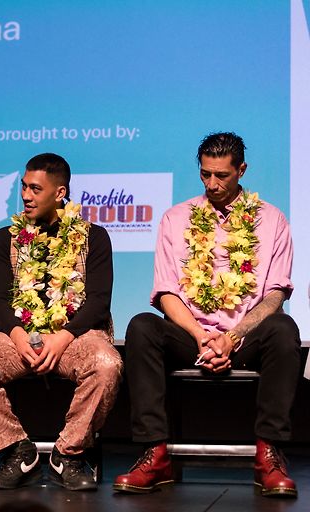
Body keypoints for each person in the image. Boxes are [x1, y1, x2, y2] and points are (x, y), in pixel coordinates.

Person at [113, 132, 301, 498]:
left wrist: (231, 338)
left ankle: (269, 456)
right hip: (190, 336)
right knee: (141, 327)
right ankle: (155, 454)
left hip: (246, 338)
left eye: (222, 175)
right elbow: (166, 292)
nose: (212, 184)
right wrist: (201, 336)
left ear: (241, 170)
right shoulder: (176, 218)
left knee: (283, 328)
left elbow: (275, 295)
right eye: (205, 174)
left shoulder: (272, 219)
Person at [0, 152, 122, 491]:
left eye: (35, 189)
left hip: (76, 337)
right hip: (20, 338)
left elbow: (98, 303)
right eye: (24, 187)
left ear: (60, 193)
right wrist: (17, 335)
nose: (26, 196)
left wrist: (63, 337)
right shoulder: (5, 238)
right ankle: (18, 452)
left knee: (107, 365)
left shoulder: (93, 237)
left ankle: (68, 454)